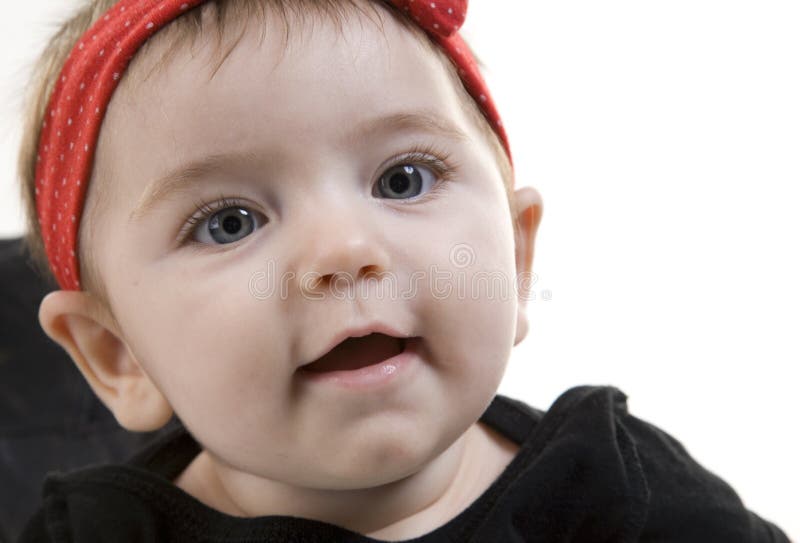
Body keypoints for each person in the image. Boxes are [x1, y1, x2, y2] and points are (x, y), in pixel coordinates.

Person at [14, 0, 791, 541]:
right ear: (120, 356)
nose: (344, 251)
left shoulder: (615, 489)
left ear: (516, 259)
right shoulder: (100, 531)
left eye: (402, 179)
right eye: (229, 223)